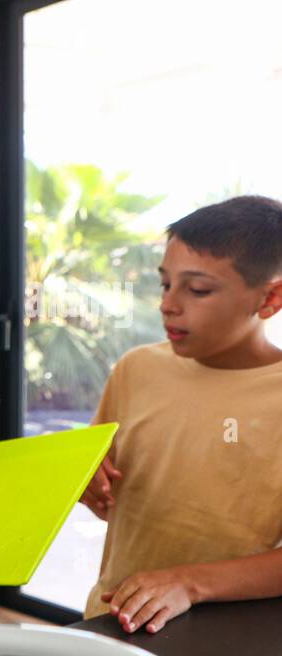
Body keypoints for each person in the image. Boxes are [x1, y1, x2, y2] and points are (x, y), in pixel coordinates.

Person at [80, 195, 282, 631]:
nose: (168, 304)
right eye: (165, 284)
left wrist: (188, 583)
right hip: (112, 621)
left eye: (198, 289)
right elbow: (96, 470)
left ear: (270, 298)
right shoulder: (135, 368)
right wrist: (85, 479)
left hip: (220, 641)